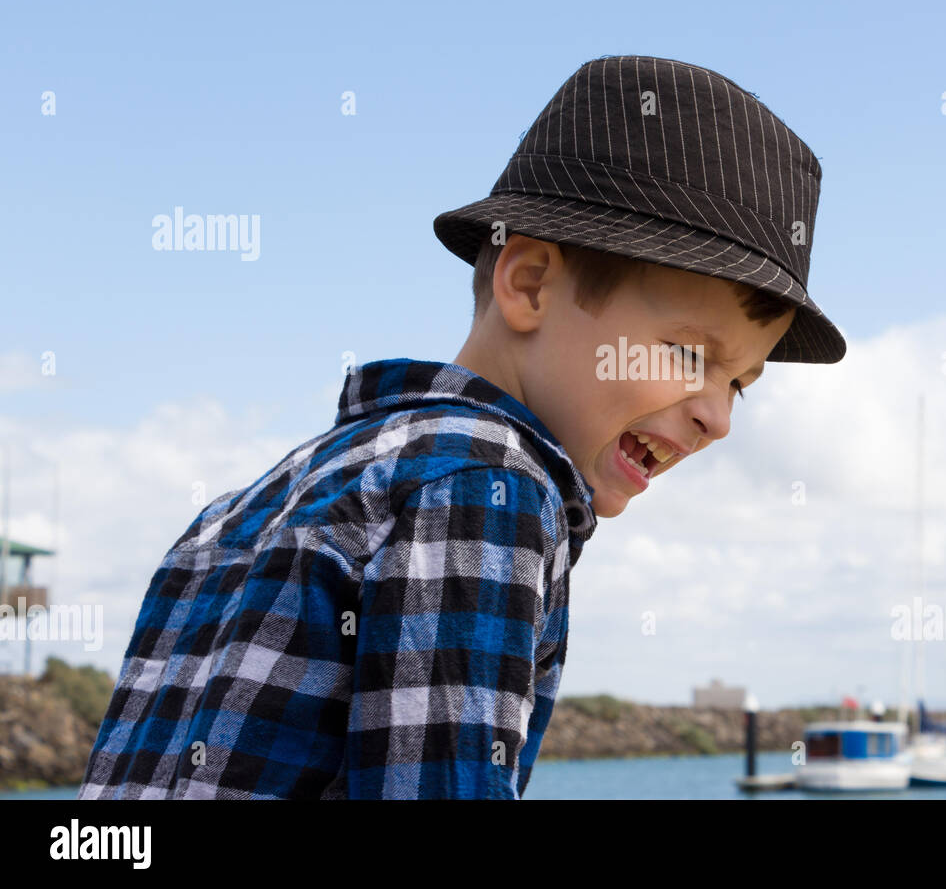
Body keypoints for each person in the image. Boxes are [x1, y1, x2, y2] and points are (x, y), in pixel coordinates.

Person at [78, 54, 846, 800]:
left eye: (740, 383)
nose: (716, 415)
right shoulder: (491, 486)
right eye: (687, 352)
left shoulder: (237, 510)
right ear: (530, 283)